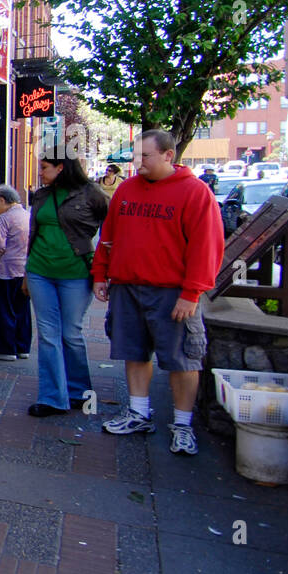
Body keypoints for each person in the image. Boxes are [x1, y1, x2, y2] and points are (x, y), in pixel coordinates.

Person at [93, 129, 225, 456]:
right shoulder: (126, 190)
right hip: (127, 287)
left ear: (168, 156)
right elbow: (108, 236)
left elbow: (206, 248)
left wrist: (192, 293)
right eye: (136, 157)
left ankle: (182, 423)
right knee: (134, 352)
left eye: (145, 157)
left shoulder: (195, 193)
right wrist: (100, 274)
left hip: (172, 292)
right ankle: (138, 412)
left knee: (183, 360)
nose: (138, 164)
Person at [25, 154, 108, 417]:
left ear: (61, 168)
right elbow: (33, 233)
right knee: (48, 335)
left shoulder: (91, 194)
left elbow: (111, 229)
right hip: (40, 271)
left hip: (76, 273)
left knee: (70, 334)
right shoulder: (41, 195)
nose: (40, 172)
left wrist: (103, 271)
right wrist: (27, 272)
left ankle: (78, 391)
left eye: (44, 167)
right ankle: (52, 398)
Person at [0, 185, 31, 361]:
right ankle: (22, 347)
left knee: (3, 310)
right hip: (24, 270)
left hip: (6, 270)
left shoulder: (4, 219)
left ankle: (4, 350)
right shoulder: (27, 215)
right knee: (22, 309)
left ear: (2, 200)